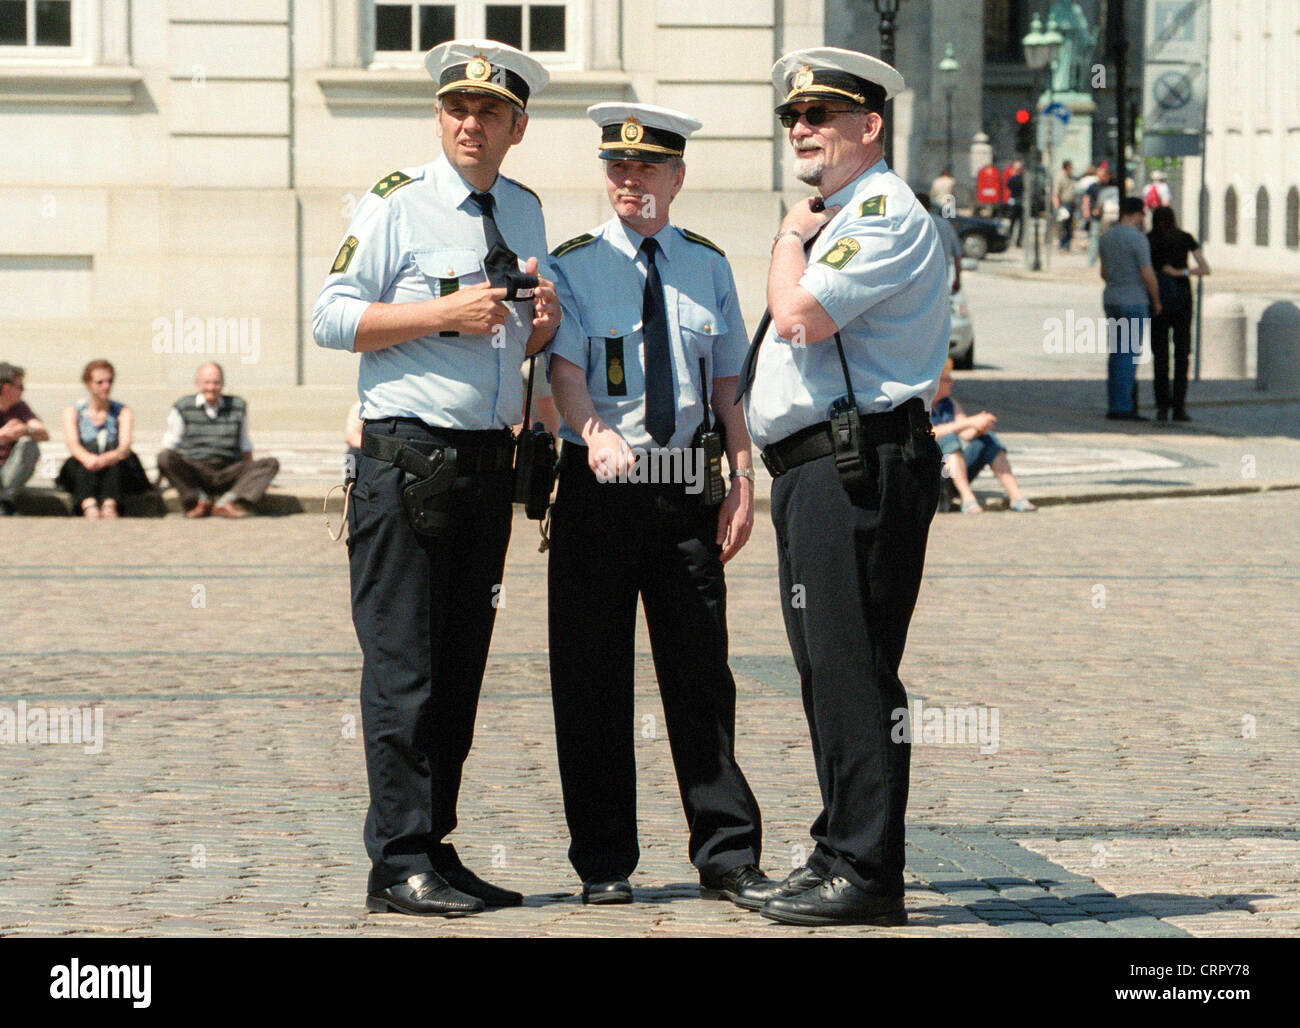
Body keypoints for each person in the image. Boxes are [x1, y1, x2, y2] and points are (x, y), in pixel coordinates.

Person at [312, 39, 560, 918]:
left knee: (459, 672)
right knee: (403, 672)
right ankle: (398, 861)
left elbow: (518, 342)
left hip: (489, 469)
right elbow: (330, 318)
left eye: (489, 113)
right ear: (439, 116)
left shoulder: (525, 212)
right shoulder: (397, 205)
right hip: (406, 464)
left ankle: (437, 845)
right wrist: (442, 312)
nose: (469, 123)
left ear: (516, 126)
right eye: (457, 109)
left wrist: (540, 328)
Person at [545, 102, 776, 911]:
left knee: (701, 678)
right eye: (618, 168)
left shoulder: (707, 265)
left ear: (677, 178)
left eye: (646, 169)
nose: (629, 181)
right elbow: (565, 374)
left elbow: (727, 388)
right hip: (598, 490)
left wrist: (744, 480)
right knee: (591, 678)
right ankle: (603, 857)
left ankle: (726, 853)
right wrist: (592, 431)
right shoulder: (571, 263)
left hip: (684, 488)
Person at [737, 47, 948, 926]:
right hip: (818, 469)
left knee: (855, 671)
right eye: (794, 117)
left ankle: (866, 870)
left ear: (871, 124)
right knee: (830, 670)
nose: (804, 130)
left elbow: (800, 316)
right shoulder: (847, 212)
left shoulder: (880, 212)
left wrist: (790, 234)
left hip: (857, 466)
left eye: (821, 116)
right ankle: (838, 848)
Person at [156, 362, 280, 517]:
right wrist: (160, 479)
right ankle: (199, 500)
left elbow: (245, 444)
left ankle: (226, 503)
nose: (211, 387)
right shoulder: (183, 406)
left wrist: (255, 478)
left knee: (270, 464)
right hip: (196, 469)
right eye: (207, 383)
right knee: (165, 458)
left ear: (222, 384)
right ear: (197, 384)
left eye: (216, 383)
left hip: (227, 469)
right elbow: (170, 443)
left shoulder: (238, 406)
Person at [932, 359, 1035, 513]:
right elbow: (933, 433)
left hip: (954, 472)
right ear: (935, 383)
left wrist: (979, 427)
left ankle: (1016, 496)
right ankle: (967, 498)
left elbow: (966, 433)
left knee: (988, 440)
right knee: (948, 440)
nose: (952, 382)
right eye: (947, 380)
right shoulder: (922, 404)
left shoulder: (950, 403)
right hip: (934, 473)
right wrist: (970, 422)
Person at [58, 360, 148, 519]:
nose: (106, 386)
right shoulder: (73, 411)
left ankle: (110, 504)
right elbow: (73, 444)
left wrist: (106, 458)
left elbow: (124, 446)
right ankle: (88, 503)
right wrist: (90, 459)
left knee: (112, 453)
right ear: (88, 384)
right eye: (100, 382)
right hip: (86, 463)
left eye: (109, 381)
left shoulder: (122, 411)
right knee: (86, 454)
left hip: (116, 463)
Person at [1099, 197, 1161, 420]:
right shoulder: (1138, 239)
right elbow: (1147, 273)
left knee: (1116, 353)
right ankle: (1123, 406)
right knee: (1128, 355)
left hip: (1112, 298)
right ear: (1136, 214)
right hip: (1133, 299)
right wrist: (1156, 300)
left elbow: (1104, 273)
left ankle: (1114, 401)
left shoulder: (1106, 238)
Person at [1147, 205, 1209, 422]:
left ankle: (1162, 406)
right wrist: (1181, 271)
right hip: (1182, 299)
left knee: (1160, 355)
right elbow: (1204, 268)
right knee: (1182, 354)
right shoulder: (1185, 238)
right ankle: (1179, 407)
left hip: (1158, 301)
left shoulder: (1148, 240)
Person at [0, 362, 49, 516]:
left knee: (29, 443)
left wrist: (27, 430)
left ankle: (4, 499)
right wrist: (2, 434)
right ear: (7, 388)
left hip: (7, 471)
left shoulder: (20, 408)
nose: (23, 390)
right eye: (19, 386)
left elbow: (44, 433)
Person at [915, 190, 961, 293]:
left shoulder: (910, 224)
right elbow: (957, 254)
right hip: (941, 280)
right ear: (929, 206)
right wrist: (957, 280)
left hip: (917, 282)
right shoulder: (945, 225)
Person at [1052, 159, 1077, 252]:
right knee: (1062, 225)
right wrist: (1057, 206)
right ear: (1066, 167)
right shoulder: (1060, 177)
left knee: (1069, 226)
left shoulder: (1071, 177)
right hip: (1063, 204)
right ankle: (1062, 245)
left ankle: (1067, 246)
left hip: (1071, 204)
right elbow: (1056, 193)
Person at [1005, 160, 1025, 247]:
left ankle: (1009, 239)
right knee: (1020, 223)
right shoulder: (1023, 179)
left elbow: (1008, 186)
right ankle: (1018, 241)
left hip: (1013, 202)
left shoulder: (1011, 179)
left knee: (1012, 223)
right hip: (1019, 202)